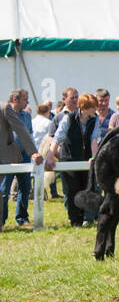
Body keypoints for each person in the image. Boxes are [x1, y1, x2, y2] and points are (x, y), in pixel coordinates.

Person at [52, 92, 98, 226]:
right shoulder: (69, 118)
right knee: (72, 190)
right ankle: (74, 220)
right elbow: (58, 138)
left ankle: (86, 218)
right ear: (84, 107)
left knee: (86, 188)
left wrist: (94, 157)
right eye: (93, 107)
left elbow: (93, 140)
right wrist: (50, 157)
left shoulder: (94, 120)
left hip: (85, 159)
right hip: (69, 159)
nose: (95, 110)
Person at [2, 89, 42, 229]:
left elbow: (25, 133)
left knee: (20, 189)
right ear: (15, 99)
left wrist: (33, 153)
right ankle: (2, 220)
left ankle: (20, 218)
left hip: (18, 156)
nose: (28, 101)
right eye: (25, 99)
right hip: (9, 157)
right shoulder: (5, 110)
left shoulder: (20, 113)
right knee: (3, 191)